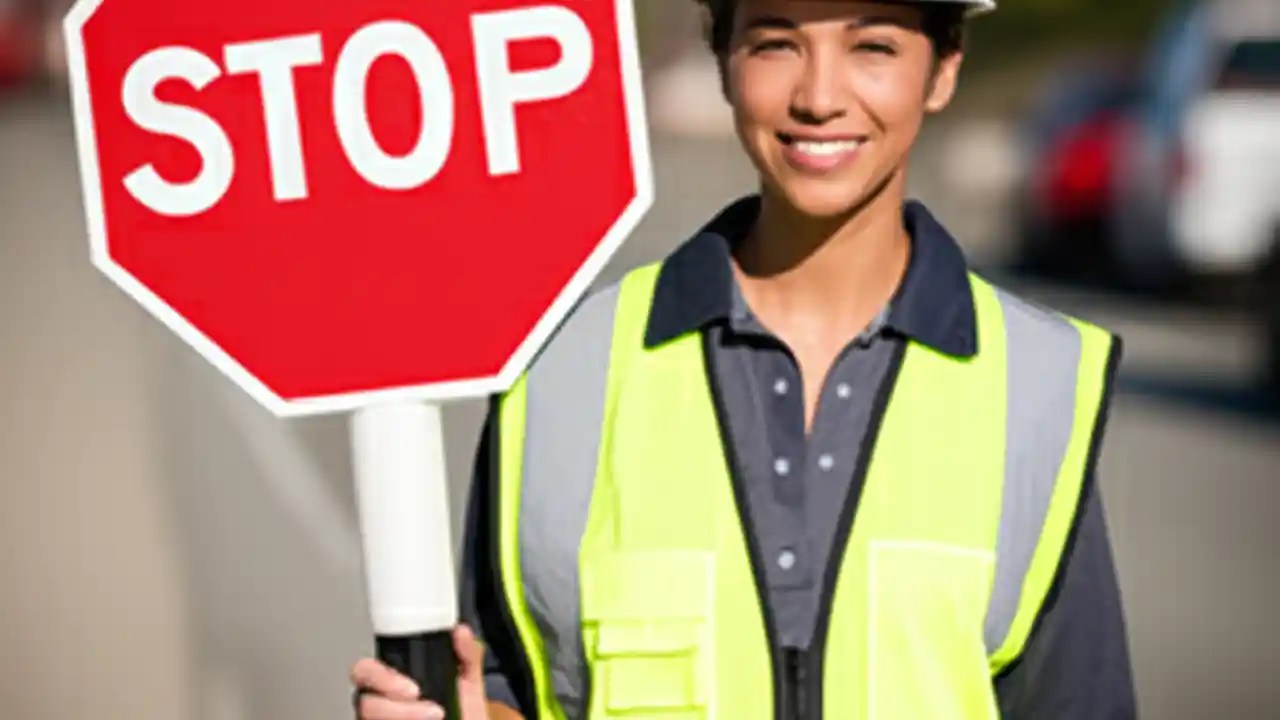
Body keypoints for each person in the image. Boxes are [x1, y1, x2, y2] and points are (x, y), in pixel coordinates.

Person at [351, 0, 1137, 717]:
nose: (819, 96)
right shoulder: (557, 365)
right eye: (775, 44)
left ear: (944, 68)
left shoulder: (1036, 383)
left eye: (873, 46)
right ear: (722, 57)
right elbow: (508, 689)